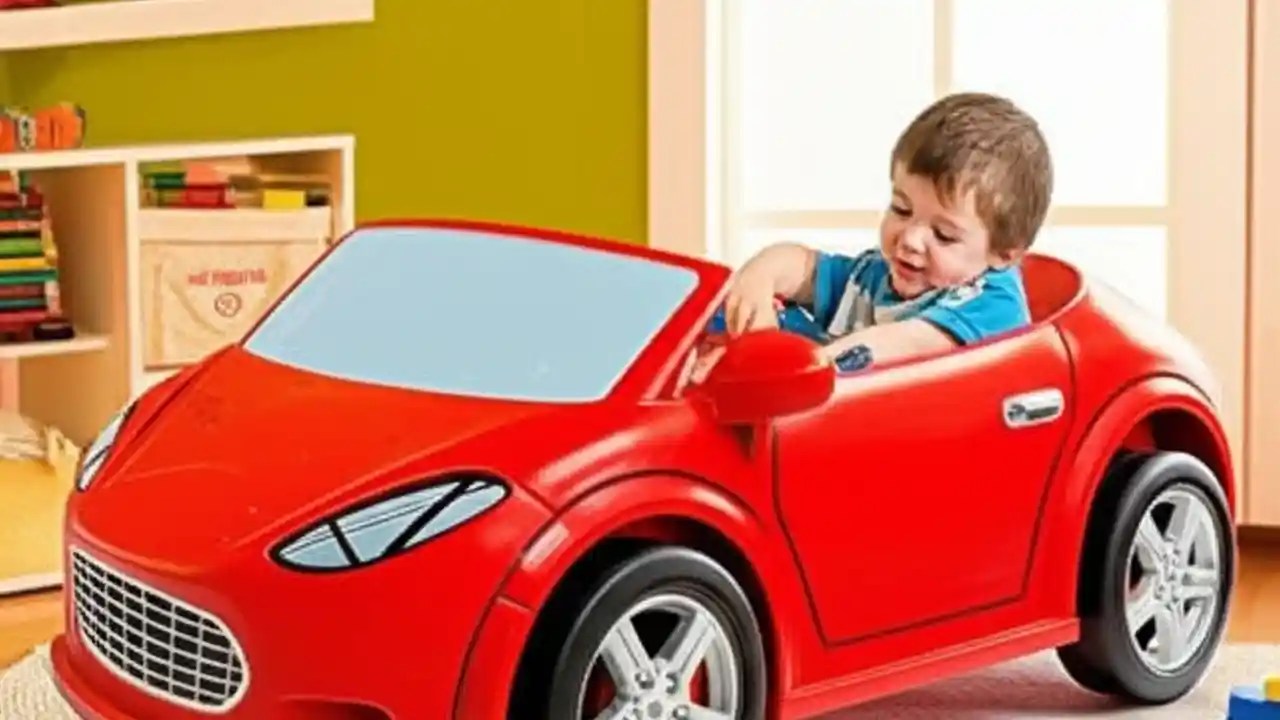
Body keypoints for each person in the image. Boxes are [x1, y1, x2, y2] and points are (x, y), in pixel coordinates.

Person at [692, 91, 1054, 382]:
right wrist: (757, 282)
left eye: (943, 235)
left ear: (1003, 254)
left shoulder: (992, 302)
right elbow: (801, 264)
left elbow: (906, 344)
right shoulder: (875, 276)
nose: (910, 239)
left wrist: (784, 370)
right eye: (901, 209)